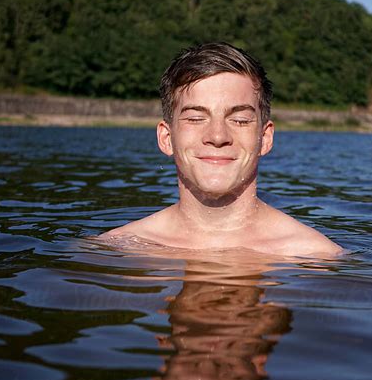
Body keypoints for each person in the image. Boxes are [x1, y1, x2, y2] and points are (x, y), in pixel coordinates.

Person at [98, 42, 342, 257]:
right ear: (166, 137)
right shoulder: (117, 249)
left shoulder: (315, 257)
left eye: (240, 120)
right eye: (195, 118)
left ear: (265, 138)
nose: (217, 136)